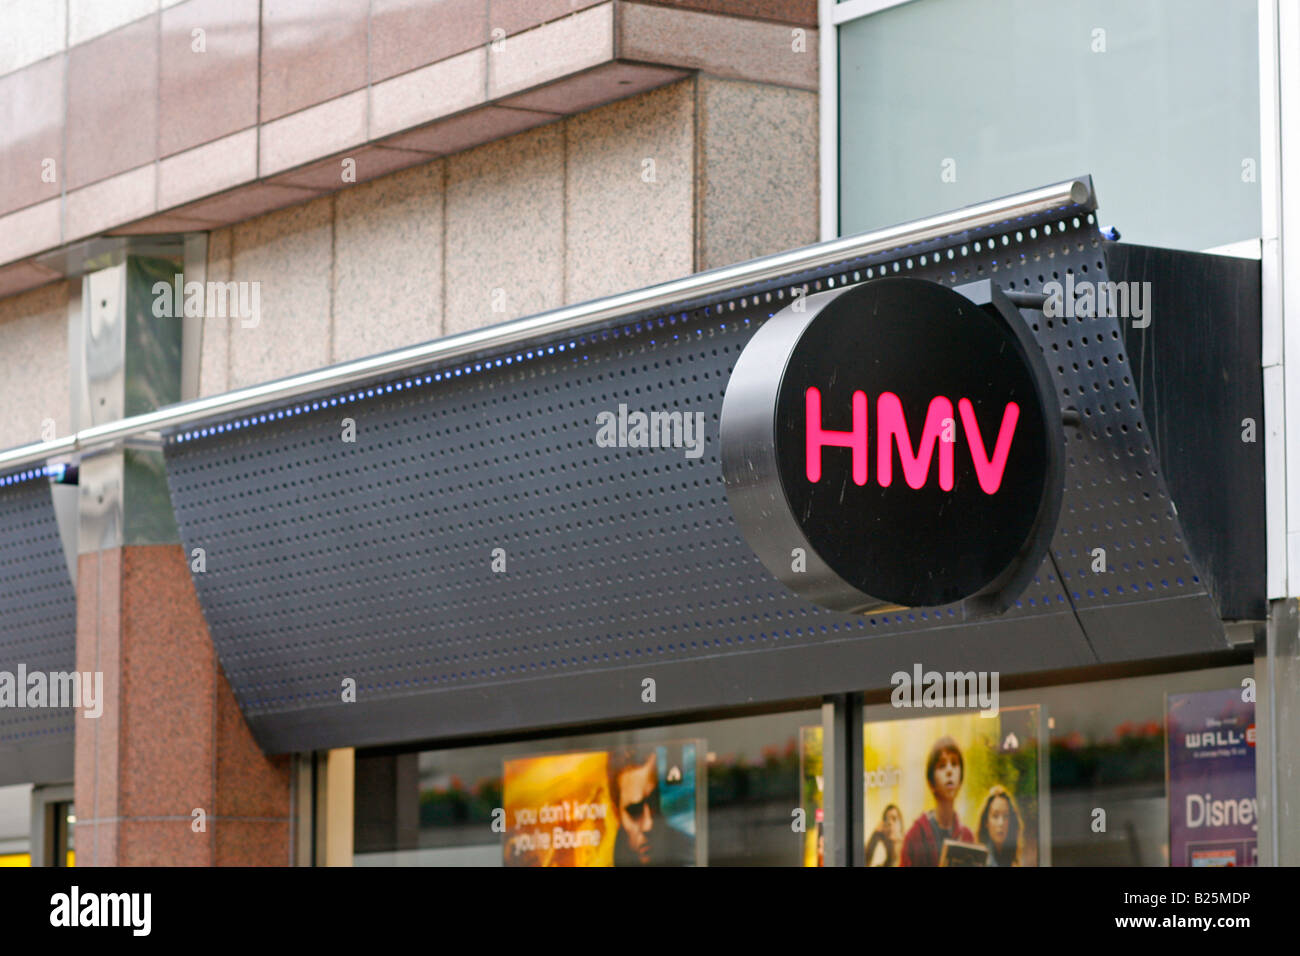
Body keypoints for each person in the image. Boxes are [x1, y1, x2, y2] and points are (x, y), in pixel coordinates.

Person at [608, 748, 695, 866]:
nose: (648, 825)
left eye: (654, 803)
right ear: (616, 813)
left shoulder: (691, 851)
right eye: (634, 811)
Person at [900, 736, 974, 866]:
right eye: (942, 766)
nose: (950, 771)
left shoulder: (967, 837)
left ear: (961, 778)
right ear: (931, 783)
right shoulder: (914, 837)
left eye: (955, 764)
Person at [977, 784, 1022, 867]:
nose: (1001, 823)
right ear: (986, 822)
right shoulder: (978, 861)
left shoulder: (1013, 861)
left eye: (1006, 816)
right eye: (995, 816)